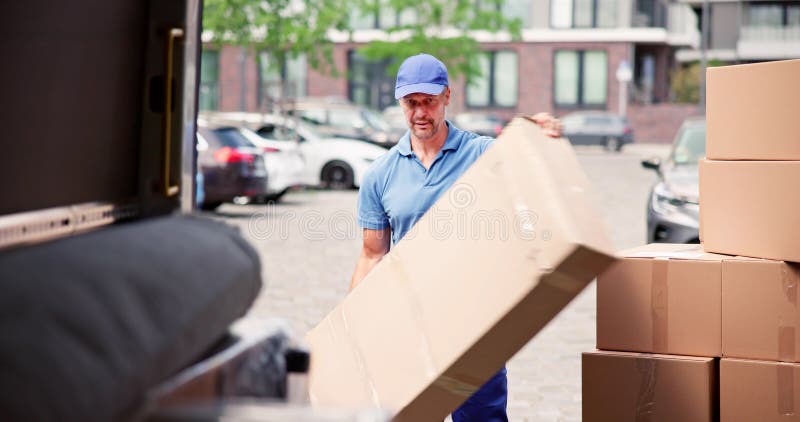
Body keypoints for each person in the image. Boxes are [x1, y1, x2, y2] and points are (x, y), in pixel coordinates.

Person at [349, 53, 562, 422]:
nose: (420, 112)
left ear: (447, 96)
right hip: (412, 323)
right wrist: (353, 325)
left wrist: (542, 132)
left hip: (474, 322)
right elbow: (372, 254)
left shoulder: (482, 154)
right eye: (411, 103)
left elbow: (533, 164)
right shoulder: (380, 174)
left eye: (429, 101)